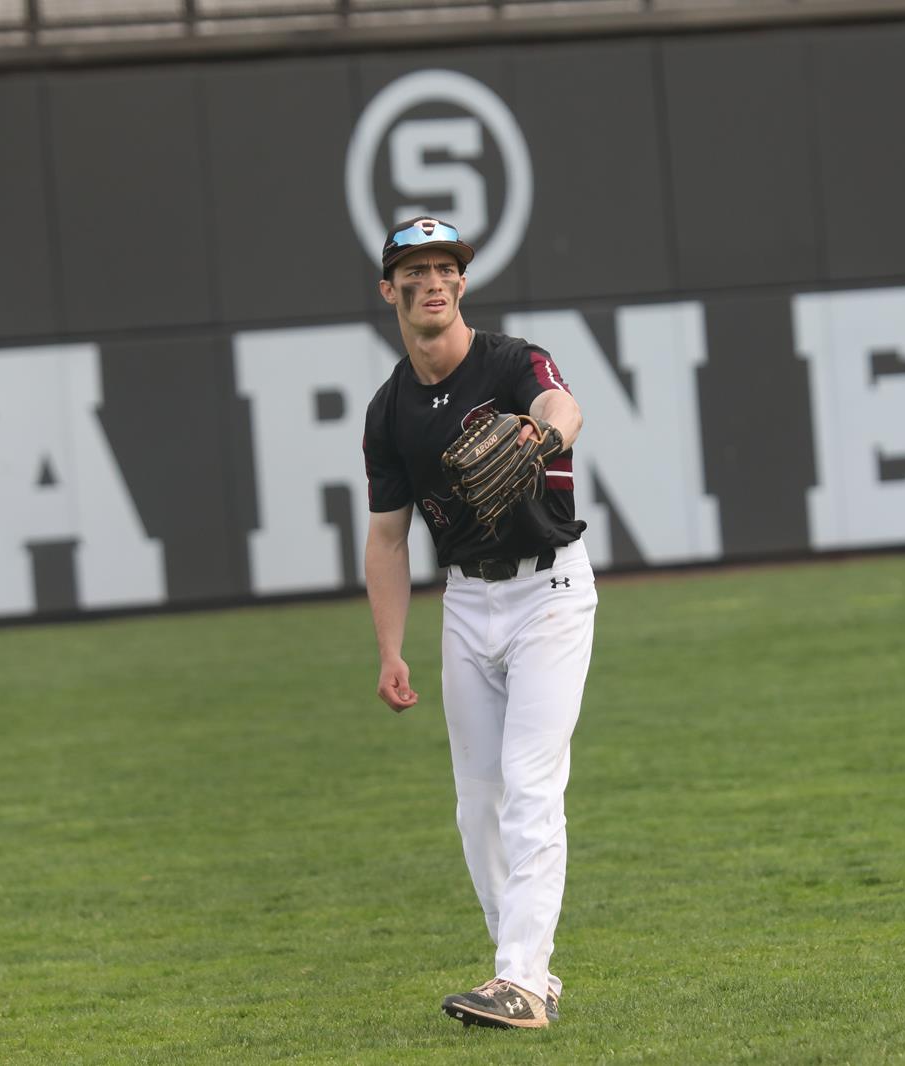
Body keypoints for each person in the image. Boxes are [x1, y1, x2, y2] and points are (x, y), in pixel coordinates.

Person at [360, 216, 597, 1030]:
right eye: (415, 270)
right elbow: (388, 538)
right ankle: (523, 973)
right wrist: (390, 650)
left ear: (461, 281)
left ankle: (519, 979)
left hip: (549, 592)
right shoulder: (390, 410)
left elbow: (564, 405)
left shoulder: (509, 361)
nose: (433, 281)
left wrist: (542, 434)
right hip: (465, 602)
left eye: (445, 268)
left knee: (532, 782)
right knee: (477, 803)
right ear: (389, 289)